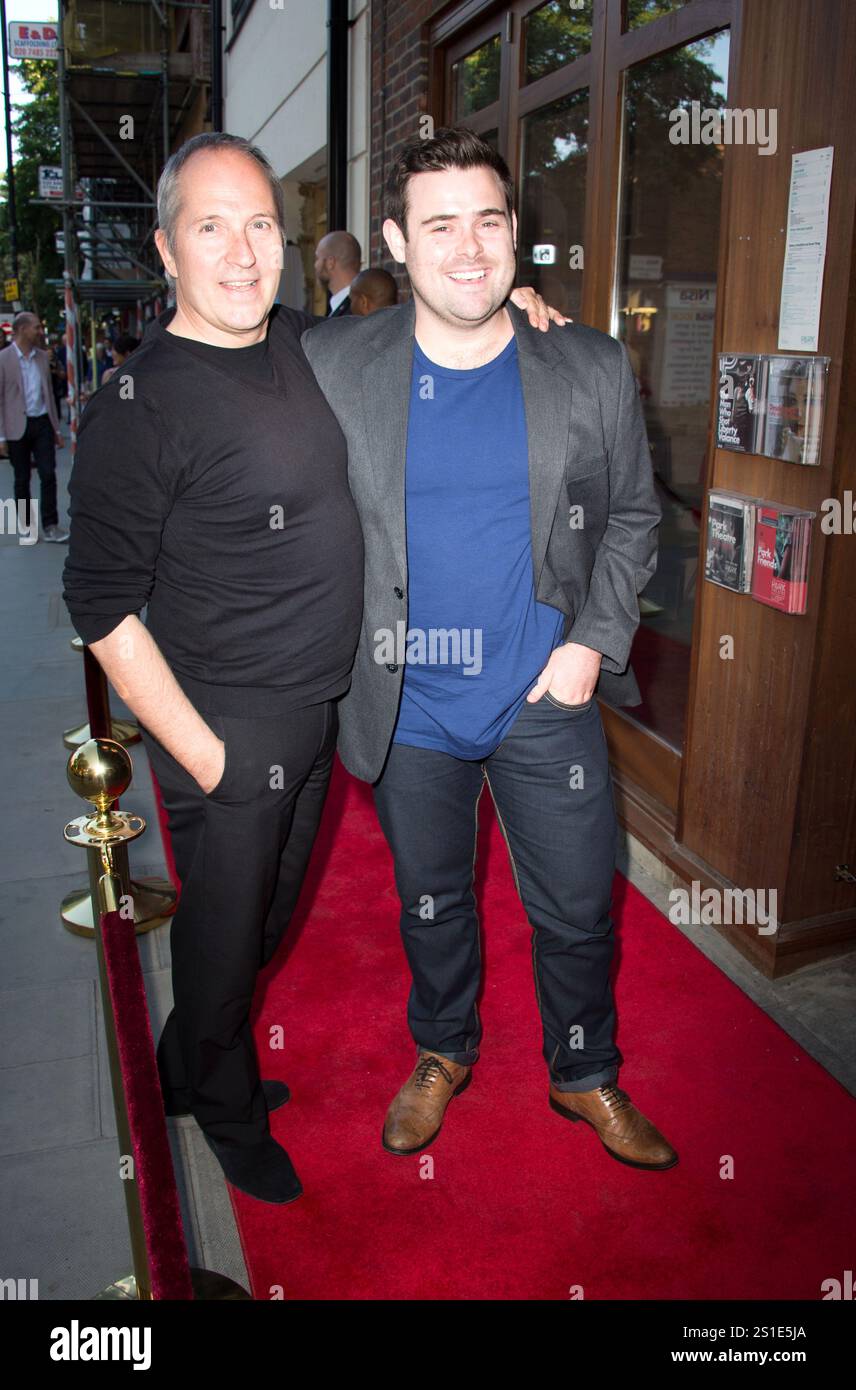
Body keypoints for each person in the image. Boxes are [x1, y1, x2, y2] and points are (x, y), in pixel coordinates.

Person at [62, 130, 561, 1206]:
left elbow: (420, 337)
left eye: (257, 225)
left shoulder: (299, 344)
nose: (241, 251)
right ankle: (223, 1110)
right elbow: (98, 608)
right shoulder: (137, 406)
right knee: (229, 925)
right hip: (228, 730)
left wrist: (517, 312)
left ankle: (186, 1061)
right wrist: (208, 756)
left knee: (256, 926)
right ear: (165, 250)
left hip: (319, 717)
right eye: (211, 227)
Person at [301, 127, 676, 1173]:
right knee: (430, 896)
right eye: (439, 225)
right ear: (394, 241)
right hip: (405, 701)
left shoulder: (587, 363)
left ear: (517, 234)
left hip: (541, 692)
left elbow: (635, 518)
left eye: (489, 222)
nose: (468, 249)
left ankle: (583, 1070)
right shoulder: (334, 363)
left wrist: (590, 647)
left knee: (576, 902)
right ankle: (442, 1048)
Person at [0, 312, 67, 542]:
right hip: (16, 425)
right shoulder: (4, 359)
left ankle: (50, 524)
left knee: (48, 474)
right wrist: (1, 437)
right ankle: (27, 526)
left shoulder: (41, 357)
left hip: (42, 423)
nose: (40, 332)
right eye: (36, 328)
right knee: (22, 478)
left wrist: (57, 430)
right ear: (22, 330)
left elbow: (49, 394)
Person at [314, 230, 361, 316]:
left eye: (317, 258)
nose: (315, 265)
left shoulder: (354, 311)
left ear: (330, 263)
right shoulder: (363, 304)